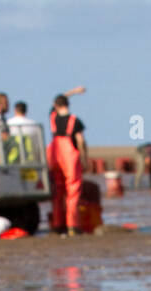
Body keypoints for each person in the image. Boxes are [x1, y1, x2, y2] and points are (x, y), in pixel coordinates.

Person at [47, 93, 88, 235]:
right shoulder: (75, 120)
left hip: (55, 156)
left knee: (57, 191)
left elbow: (55, 101)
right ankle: (73, 225)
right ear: (67, 105)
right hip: (70, 156)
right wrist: (84, 158)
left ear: (56, 106)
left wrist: (73, 92)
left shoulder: (53, 117)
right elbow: (81, 141)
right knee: (73, 190)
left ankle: (58, 224)